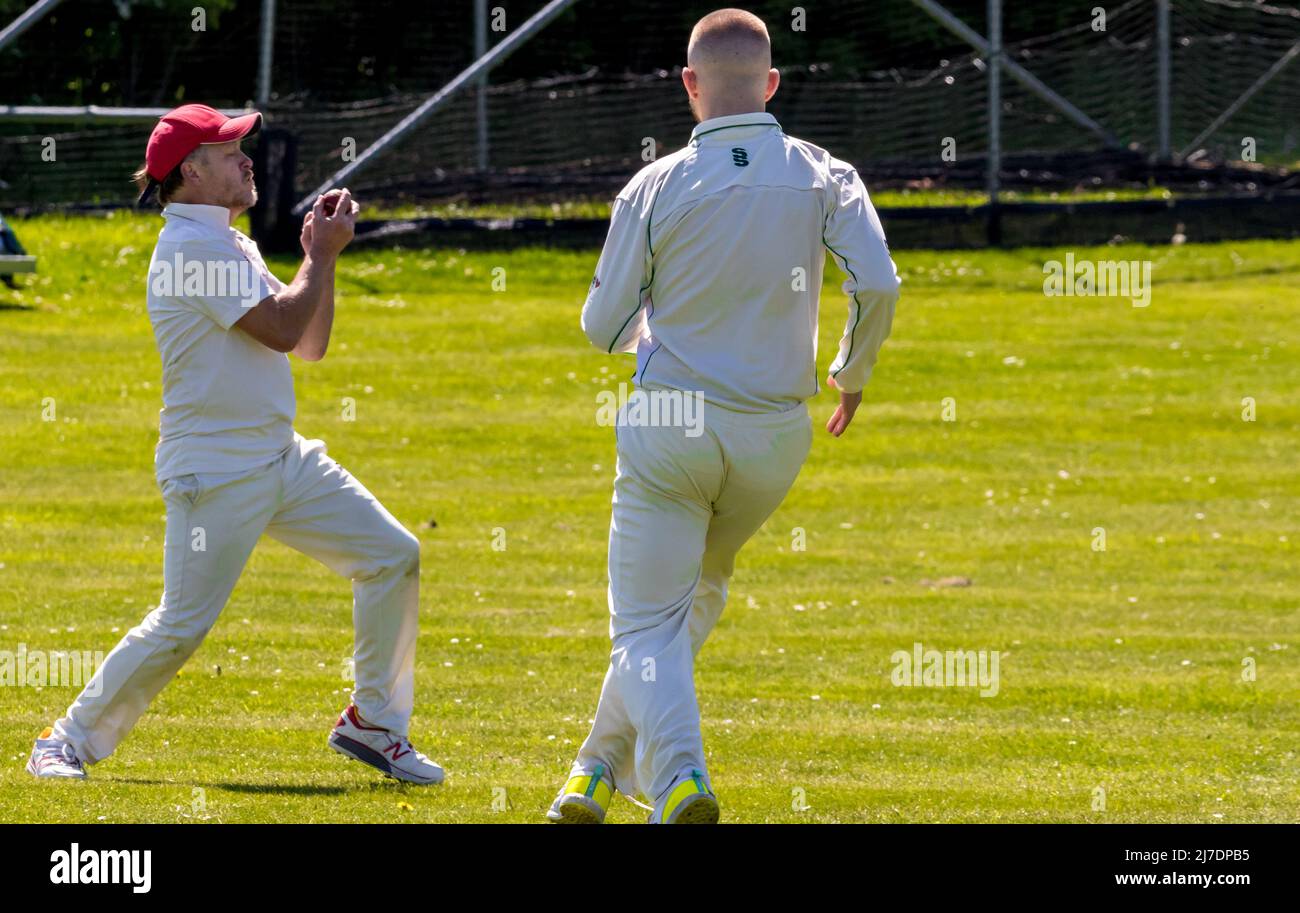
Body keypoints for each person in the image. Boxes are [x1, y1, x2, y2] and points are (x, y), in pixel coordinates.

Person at [549, 8, 900, 823]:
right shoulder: (824, 172)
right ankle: (593, 769)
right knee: (693, 593)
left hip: (671, 423)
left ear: (689, 86)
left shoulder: (655, 182)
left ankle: (680, 781)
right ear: (771, 84)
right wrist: (851, 371)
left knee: (643, 623)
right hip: (776, 434)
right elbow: (878, 283)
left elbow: (600, 327)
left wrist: (646, 324)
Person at [25, 103, 443, 786]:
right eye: (230, 151)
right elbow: (283, 328)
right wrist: (321, 256)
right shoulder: (192, 246)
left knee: (393, 555)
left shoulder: (227, 239)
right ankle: (63, 740)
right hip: (214, 471)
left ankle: (375, 724)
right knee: (181, 623)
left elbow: (307, 343)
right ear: (192, 171)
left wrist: (318, 262)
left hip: (280, 456)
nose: (248, 159)